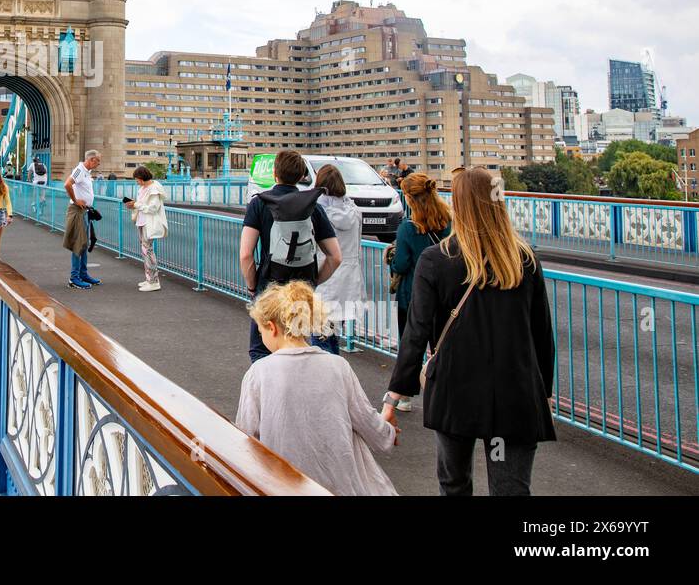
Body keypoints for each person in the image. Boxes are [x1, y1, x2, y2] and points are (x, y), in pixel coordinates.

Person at [383, 166, 555, 496]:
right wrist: (542, 391)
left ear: (458, 207)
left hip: (454, 390)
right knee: (510, 490)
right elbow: (541, 334)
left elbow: (415, 335)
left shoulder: (436, 260)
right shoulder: (524, 259)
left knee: (455, 485)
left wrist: (394, 397)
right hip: (515, 394)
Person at [235, 281, 398, 496]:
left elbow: (245, 435)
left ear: (271, 327)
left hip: (282, 486)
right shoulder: (338, 366)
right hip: (338, 486)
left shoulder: (259, 373)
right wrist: (389, 431)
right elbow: (366, 421)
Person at [238, 149, 342, 362]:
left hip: (268, 287)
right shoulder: (313, 206)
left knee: (261, 352)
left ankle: (268, 394)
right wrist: (313, 281)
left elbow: (246, 254)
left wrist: (252, 286)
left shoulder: (259, 203)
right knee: (300, 349)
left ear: (275, 173)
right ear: (302, 175)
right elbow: (335, 257)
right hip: (302, 290)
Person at [389, 173, 454, 412]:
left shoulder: (408, 228)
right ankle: (444, 394)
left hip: (412, 295)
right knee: (440, 347)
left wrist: (392, 260)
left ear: (409, 197)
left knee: (411, 345)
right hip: (444, 294)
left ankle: (404, 397)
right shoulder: (447, 221)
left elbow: (402, 264)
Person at [313, 164, 365, 355]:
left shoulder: (318, 213)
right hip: (348, 283)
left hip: (325, 280)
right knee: (332, 335)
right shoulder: (354, 211)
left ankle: (328, 381)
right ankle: (335, 375)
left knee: (320, 339)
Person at [123, 166, 167, 292]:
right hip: (142, 222)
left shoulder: (154, 189)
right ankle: (150, 279)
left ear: (142, 179)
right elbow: (143, 205)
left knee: (148, 251)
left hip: (149, 223)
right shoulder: (143, 188)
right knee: (145, 250)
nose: (136, 182)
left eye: (137, 179)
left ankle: (153, 282)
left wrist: (135, 204)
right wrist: (134, 205)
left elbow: (153, 208)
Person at [63, 150, 102, 290]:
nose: (99, 164)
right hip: (77, 210)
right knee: (78, 244)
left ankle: (83, 274)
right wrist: (76, 200)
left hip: (84, 211)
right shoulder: (79, 170)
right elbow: (67, 184)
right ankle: (74, 278)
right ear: (91, 159)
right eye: (98, 161)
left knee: (84, 243)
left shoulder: (86, 172)